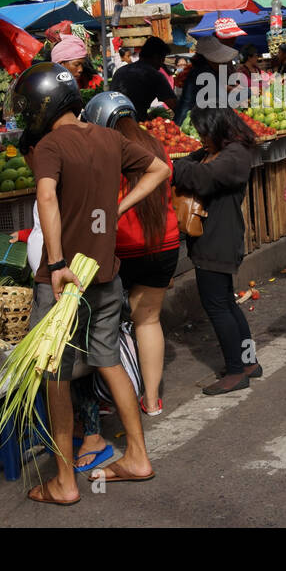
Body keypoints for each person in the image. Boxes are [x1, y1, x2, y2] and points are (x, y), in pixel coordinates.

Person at [17, 63, 170, 505]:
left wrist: (58, 261)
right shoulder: (109, 138)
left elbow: (47, 196)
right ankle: (137, 457)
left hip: (63, 281)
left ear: (41, 107)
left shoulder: (49, 145)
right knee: (108, 359)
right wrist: (120, 207)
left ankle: (65, 483)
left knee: (55, 371)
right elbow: (159, 170)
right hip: (105, 274)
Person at [83, 91, 179, 418]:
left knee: (110, 324)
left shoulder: (103, 151)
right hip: (164, 245)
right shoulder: (155, 145)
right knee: (148, 320)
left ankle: (116, 398)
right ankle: (151, 401)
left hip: (123, 250)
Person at [171, 106, 259, 396]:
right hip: (219, 238)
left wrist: (172, 168)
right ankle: (248, 362)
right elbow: (193, 165)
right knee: (227, 304)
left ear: (217, 128)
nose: (200, 138)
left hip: (218, 241)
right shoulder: (224, 150)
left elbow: (201, 177)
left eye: (203, 132)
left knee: (217, 306)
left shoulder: (234, 156)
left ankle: (236, 371)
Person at [176, 35, 240, 125]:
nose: (222, 62)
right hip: (188, 124)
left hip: (190, 121)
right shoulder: (204, 72)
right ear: (210, 58)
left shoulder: (202, 70)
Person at [111, 36, 178, 119]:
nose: (162, 64)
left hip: (114, 121)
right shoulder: (155, 75)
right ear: (156, 57)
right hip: (135, 124)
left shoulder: (120, 71)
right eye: (162, 59)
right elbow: (174, 105)